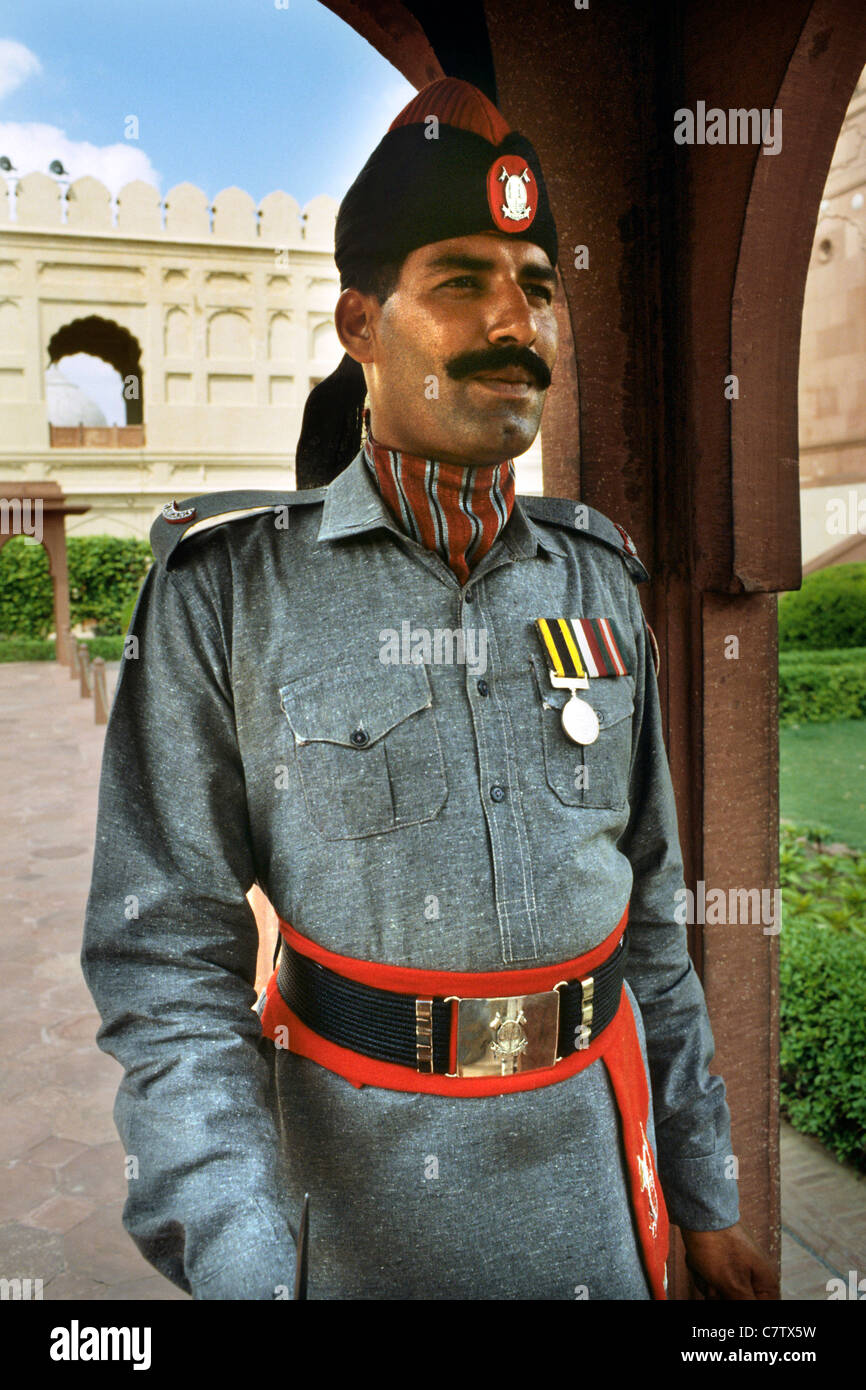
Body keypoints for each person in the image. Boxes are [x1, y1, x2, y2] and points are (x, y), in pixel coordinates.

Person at [81, 77, 777, 1301]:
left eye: (539, 286)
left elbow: (654, 922)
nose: (518, 320)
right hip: (352, 1215)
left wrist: (705, 1186)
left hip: (596, 1202)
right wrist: (248, 1267)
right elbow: (166, 967)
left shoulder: (596, 576)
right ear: (361, 324)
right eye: (462, 280)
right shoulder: (227, 591)